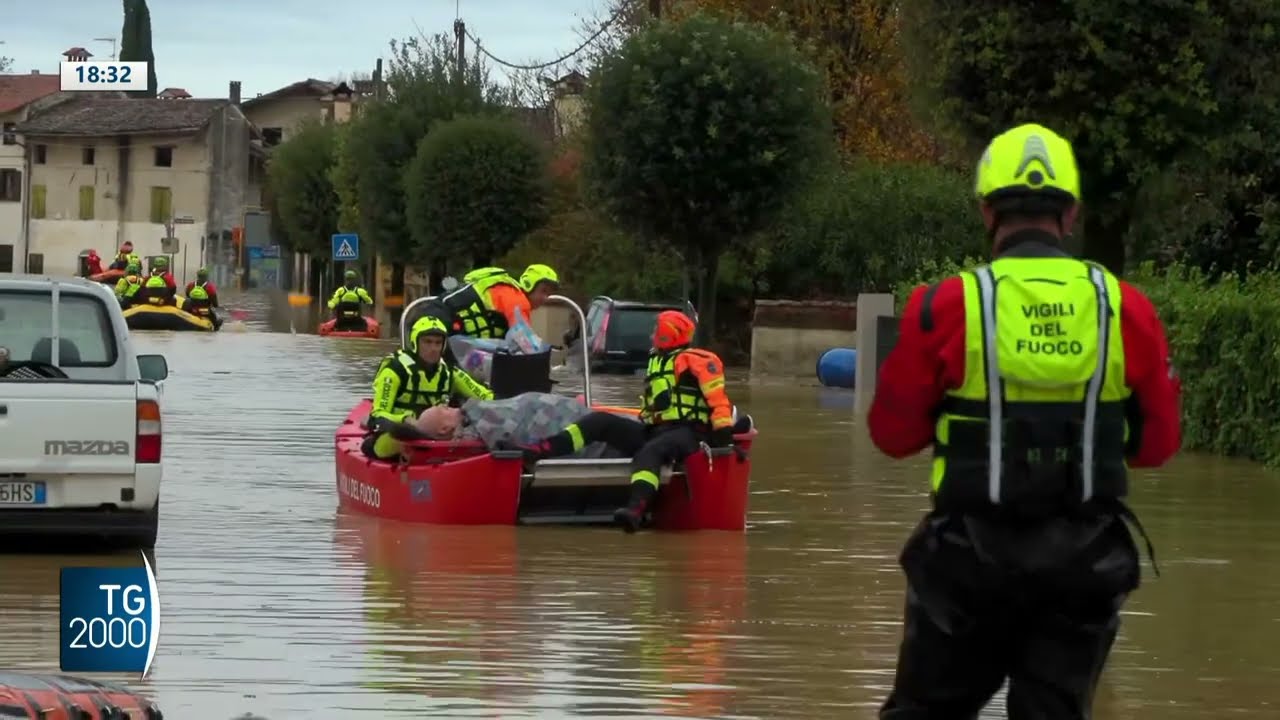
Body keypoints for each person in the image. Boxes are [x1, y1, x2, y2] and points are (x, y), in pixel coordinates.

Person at [868, 123, 1182, 720]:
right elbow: (1158, 445)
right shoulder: (1126, 307)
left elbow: (892, 436)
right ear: (1072, 214)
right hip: (1084, 565)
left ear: (987, 211)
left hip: (967, 568)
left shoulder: (946, 305)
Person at [516, 310, 734, 533]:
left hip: (688, 433)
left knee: (650, 452)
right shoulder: (657, 360)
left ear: (667, 335)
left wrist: (723, 432)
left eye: (655, 331)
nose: (651, 336)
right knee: (599, 421)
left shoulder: (697, 361)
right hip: (656, 430)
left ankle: (636, 510)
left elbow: (718, 400)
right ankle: (539, 450)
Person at [363, 315, 494, 461]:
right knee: (383, 445)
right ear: (415, 342)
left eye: (438, 343)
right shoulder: (395, 370)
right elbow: (378, 415)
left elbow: (484, 395)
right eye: (427, 342)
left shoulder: (449, 372)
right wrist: (405, 420)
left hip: (440, 436)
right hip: (401, 433)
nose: (433, 349)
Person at [434, 264, 559, 341]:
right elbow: (523, 339)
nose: (545, 298)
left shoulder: (506, 289)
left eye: (548, 294)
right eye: (543, 291)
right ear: (529, 285)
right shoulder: (518, 300)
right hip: (445, 325)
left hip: (440, 320)